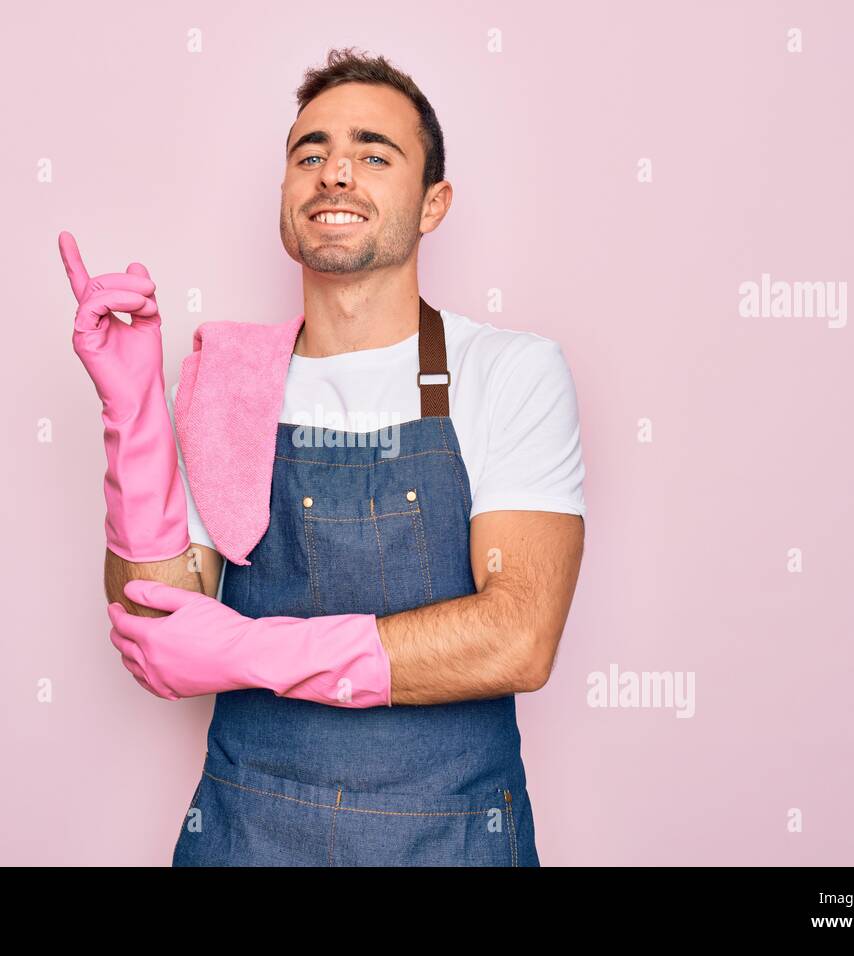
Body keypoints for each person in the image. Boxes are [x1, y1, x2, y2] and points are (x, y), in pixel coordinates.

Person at [58, 47, 585, 867]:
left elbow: (516, 637)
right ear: (285, 196)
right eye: (311, 153)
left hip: (452, 840)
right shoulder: (227, 378)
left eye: (375, 154)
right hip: (246, 835)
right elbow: (156, 623)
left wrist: (246, 647)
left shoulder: (508, 372)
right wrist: (133, 414)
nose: (335, 174)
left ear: (434, 202)